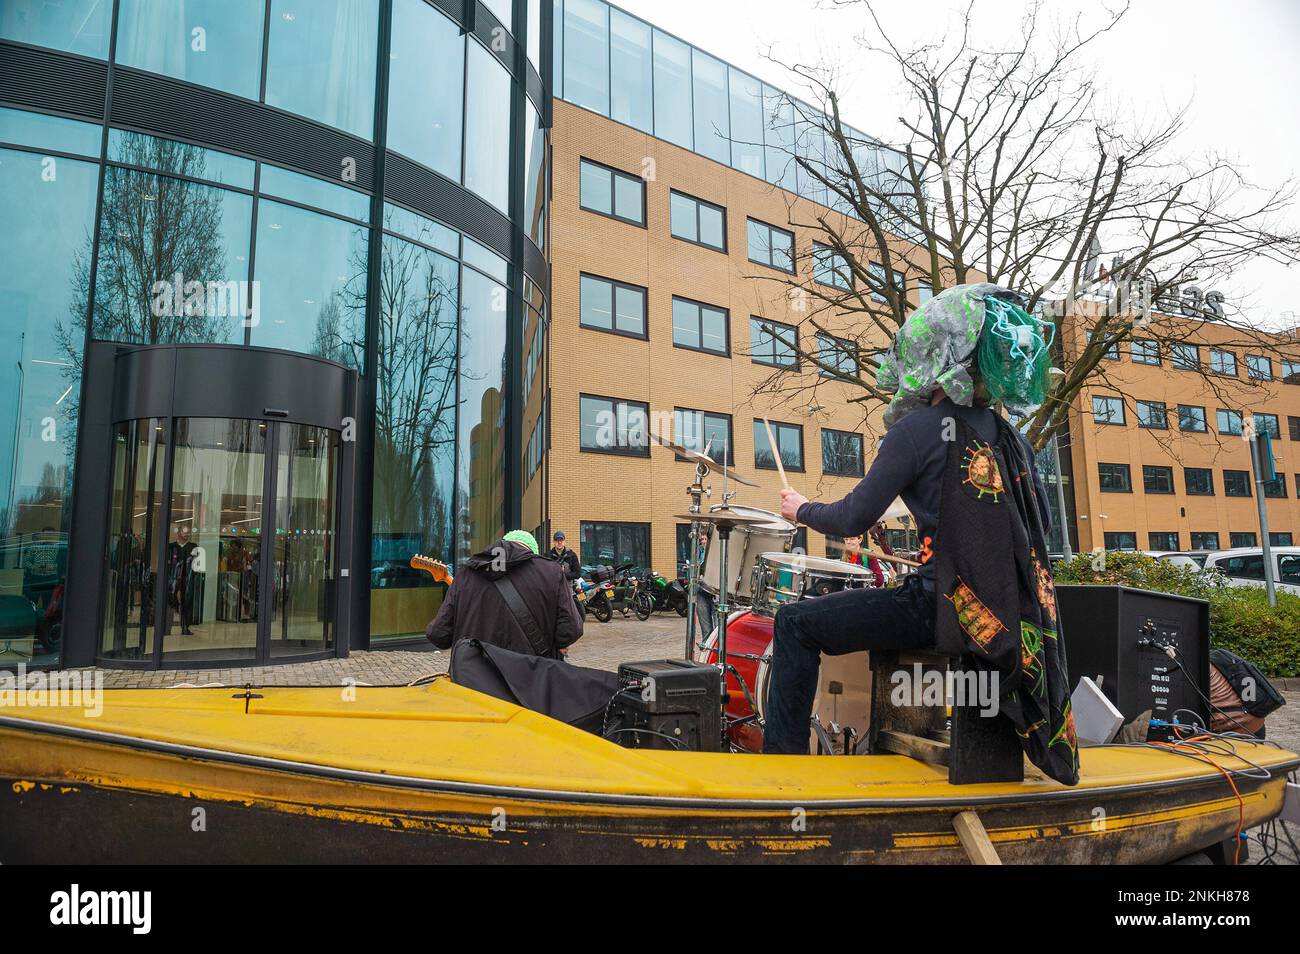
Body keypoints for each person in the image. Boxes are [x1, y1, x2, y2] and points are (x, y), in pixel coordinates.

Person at [762, 284, 1079, 787]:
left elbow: (851, 517)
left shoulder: (918, 430)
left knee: (794, 623)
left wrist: (802, 509)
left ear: (930, 352)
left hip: (943, 609)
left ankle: (782, 772)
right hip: (1008, 616)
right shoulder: (1011, 438)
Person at [427, 530, 582, 658]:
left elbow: (439, 634)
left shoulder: (465, 575)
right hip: (531, 684)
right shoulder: (552, 572)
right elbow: (571, 629)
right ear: (531, 553)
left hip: (471, 684)